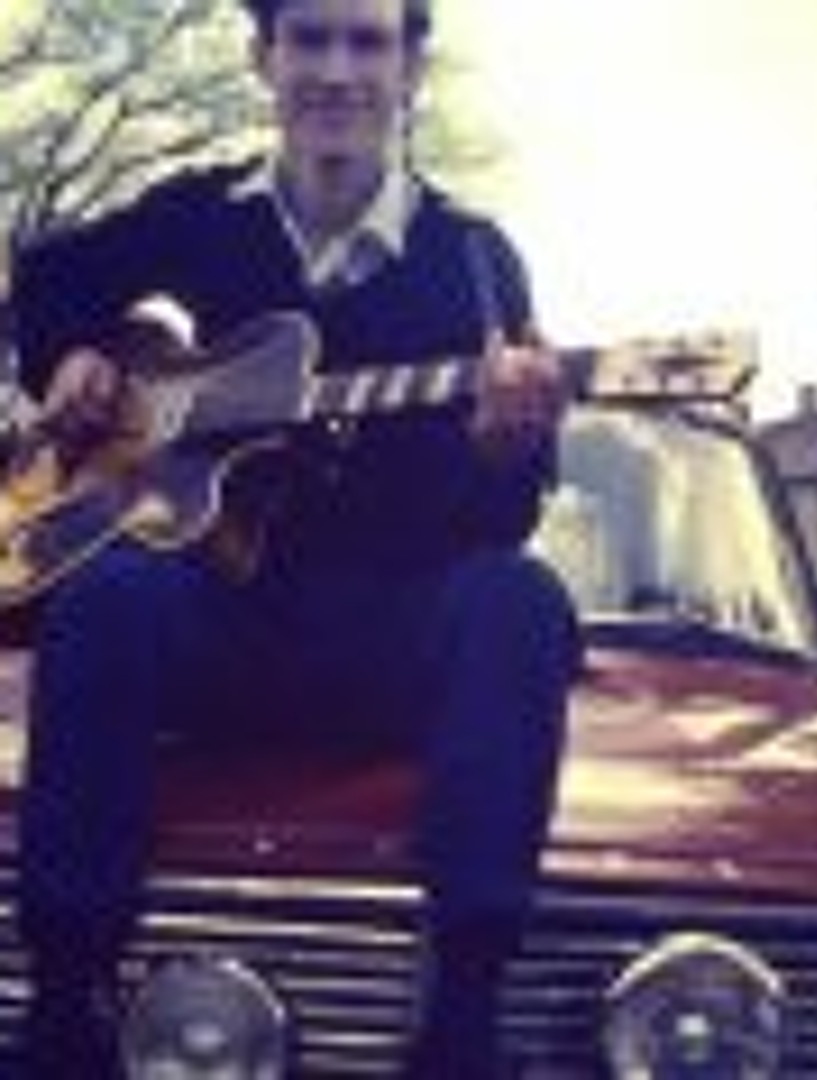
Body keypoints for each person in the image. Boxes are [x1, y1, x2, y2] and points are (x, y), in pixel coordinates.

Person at [6, 0, 578, 1076]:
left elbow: (500, 522)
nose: (336, 70)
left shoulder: (472, 259)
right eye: (309, 38)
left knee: (521, 598)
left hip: (395, 638)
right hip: (220, 621)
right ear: (263, 59)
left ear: (411, 68)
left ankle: (465, 1002)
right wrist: (71, 356)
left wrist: (506, 448)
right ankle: (66, 994)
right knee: (108, 595)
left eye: (367, 41)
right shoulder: (197, 216)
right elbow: (45, 279)